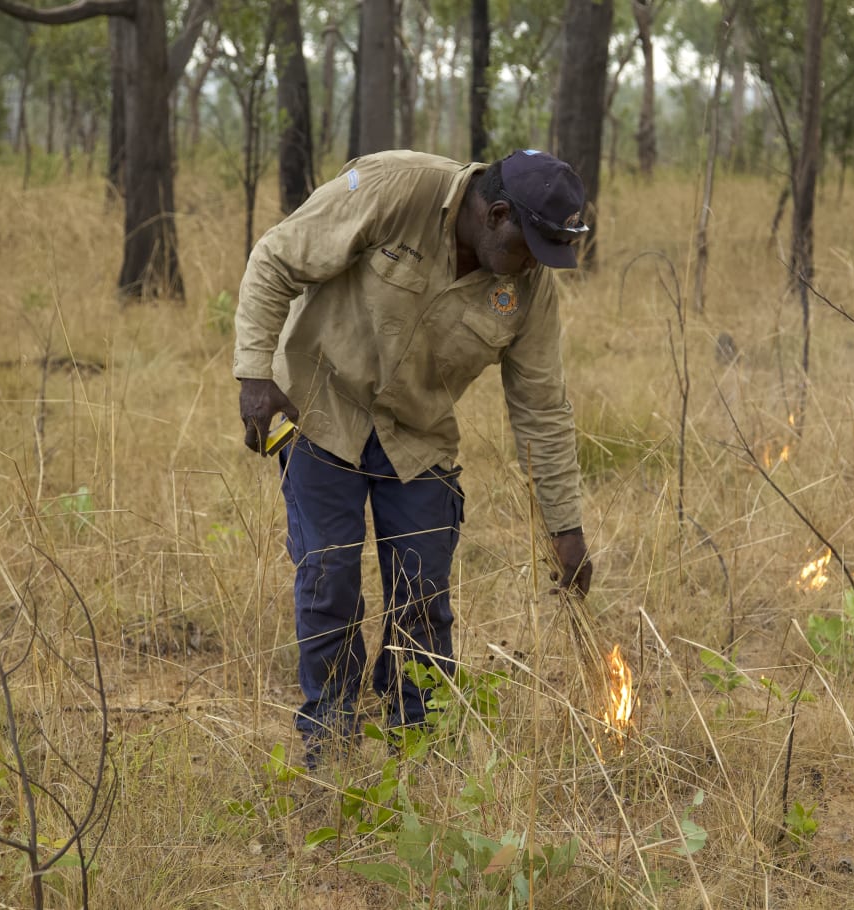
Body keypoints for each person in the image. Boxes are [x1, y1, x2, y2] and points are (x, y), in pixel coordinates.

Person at [233, 149, 594, 768]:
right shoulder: (393, 188)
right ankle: (333, 744)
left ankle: (419, 753)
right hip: (324, 408)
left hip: (419, 436)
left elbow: (541, 409)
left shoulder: (529, 289)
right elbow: (276, 257)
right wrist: (254, 374)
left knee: (422, 594)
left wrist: (565, 528)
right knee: (329, 581)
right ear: (497, 214)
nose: (535, 265)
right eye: (530, 245)